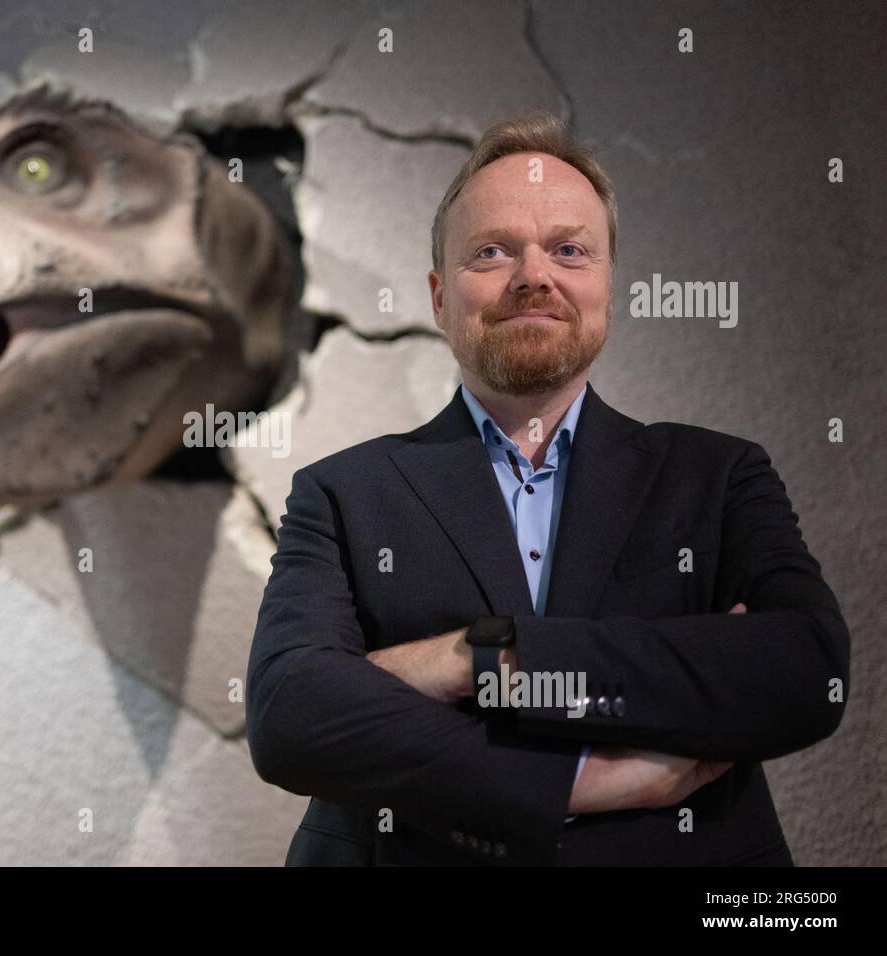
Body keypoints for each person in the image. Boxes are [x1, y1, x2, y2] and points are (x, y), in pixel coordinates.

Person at [244, 113, 850, 866]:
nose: (534, 274)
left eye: (569, 250)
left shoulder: (719, 477)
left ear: (606, 288)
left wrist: (478, 660)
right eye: (492, 252)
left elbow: (806, 671)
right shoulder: (341, 494)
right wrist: (585, 779)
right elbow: (288, 714)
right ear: (439, 298)